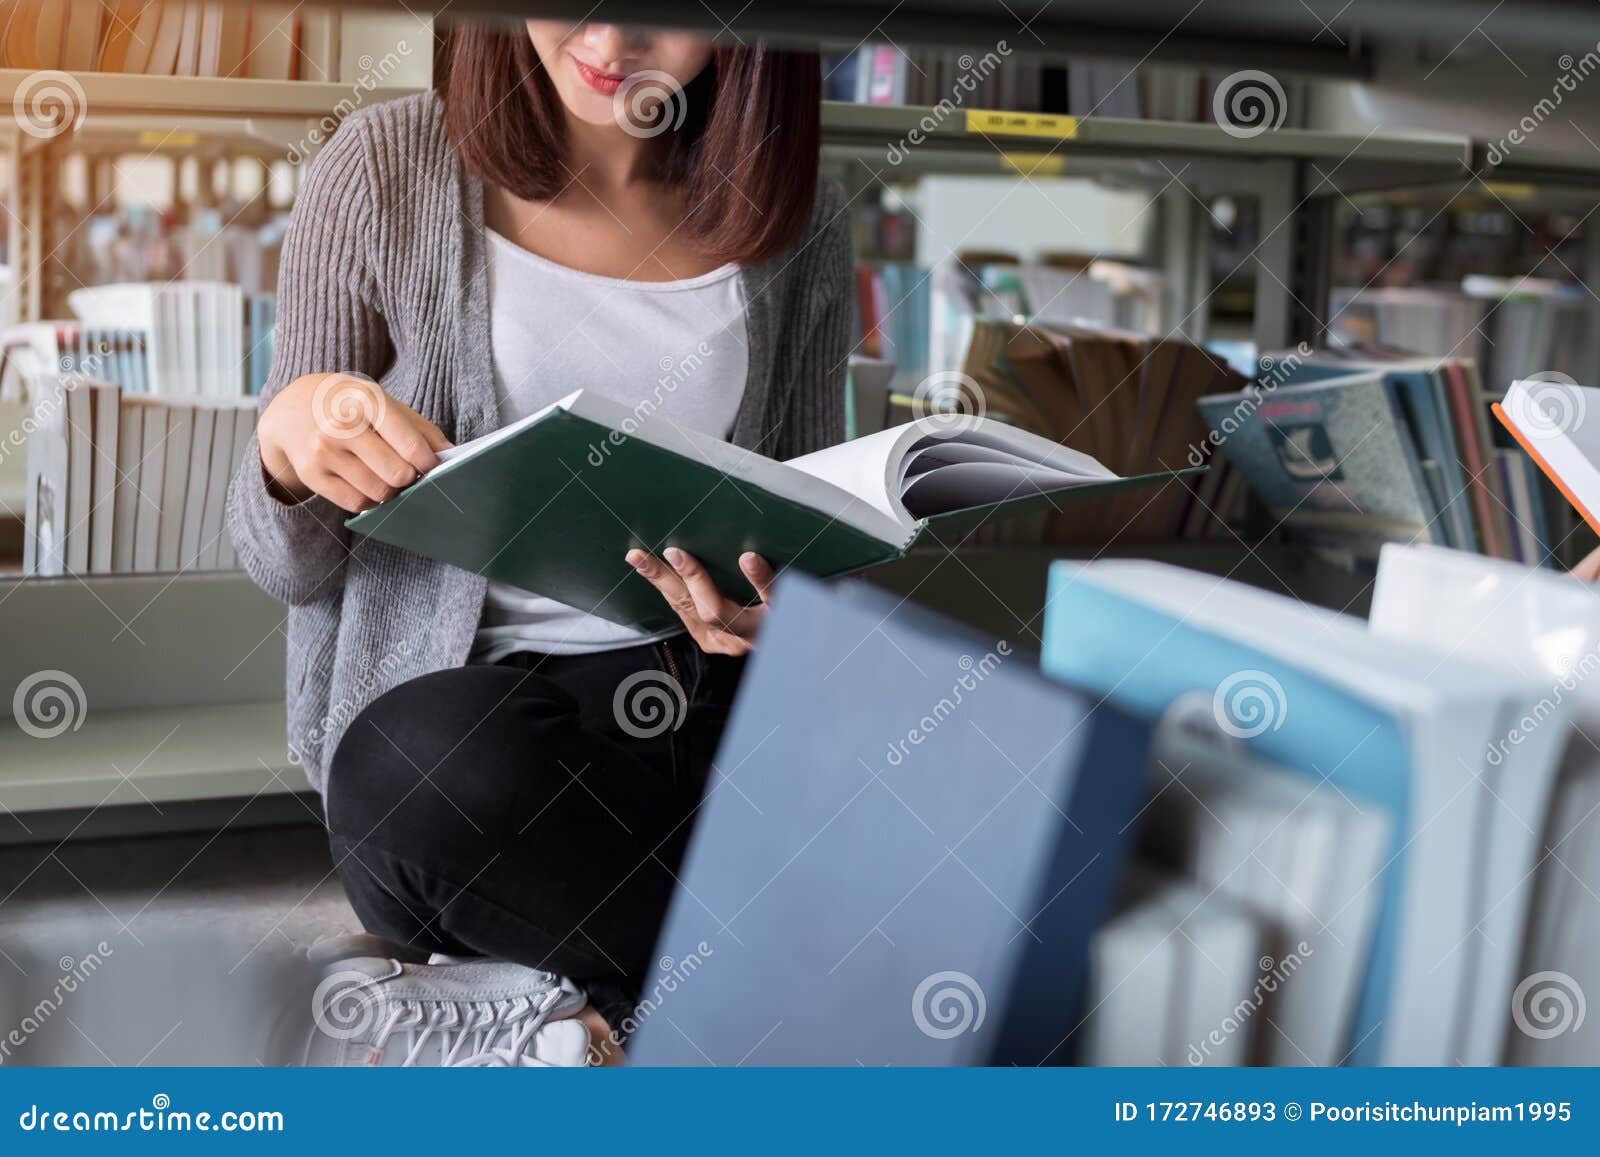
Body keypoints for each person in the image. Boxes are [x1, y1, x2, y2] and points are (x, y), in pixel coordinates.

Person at [227, 19, 849, 1065]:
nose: (613, 37)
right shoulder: (385, 167)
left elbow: (804, 518)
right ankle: (777, 999)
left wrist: (776, 602)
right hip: (474, 744)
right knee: (421, 764)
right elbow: (284, 564)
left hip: (701, 713)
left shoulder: (799, 215)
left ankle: (586, 1013)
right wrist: (290, 444)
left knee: (946, 768)